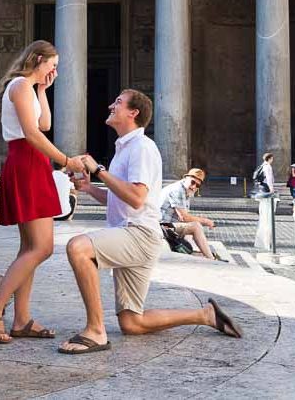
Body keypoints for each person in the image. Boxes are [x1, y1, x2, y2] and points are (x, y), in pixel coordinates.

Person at [59, 89, 242, 354]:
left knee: (78, 247)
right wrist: (90, 188)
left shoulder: (141, 147)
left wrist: (99, 169)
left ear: (133, 113)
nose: (111, 105)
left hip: (138, 235)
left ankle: (96, 331)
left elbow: (136, 198)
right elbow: (121, 198)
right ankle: (205, 315)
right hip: (135, 235)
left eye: (118, 102)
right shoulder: (125, 148)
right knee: (133, 323)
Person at [0, 40, 84, 344]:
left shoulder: (29, 87)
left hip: (31, 163)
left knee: (30, 249)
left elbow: (44, 124)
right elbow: (32, 133)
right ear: (38, 59)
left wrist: (43, 90)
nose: (55, 70)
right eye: (52, 64)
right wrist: (66, 161)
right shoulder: (19, 84)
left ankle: (21, 320)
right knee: (42, 248)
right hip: (27, 162)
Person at [158, 168, 225, 262]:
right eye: (192, 182)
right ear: (186, 178)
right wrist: (206, 221)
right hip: (162, 227)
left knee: (193, 228)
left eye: (197, 185)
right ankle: (211, 259)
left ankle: (197, 253)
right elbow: (184, 217)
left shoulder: (185, 190)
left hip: (168, 226)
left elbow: (183, 218)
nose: (194, 187)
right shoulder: (178, 190)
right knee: (196, 226)